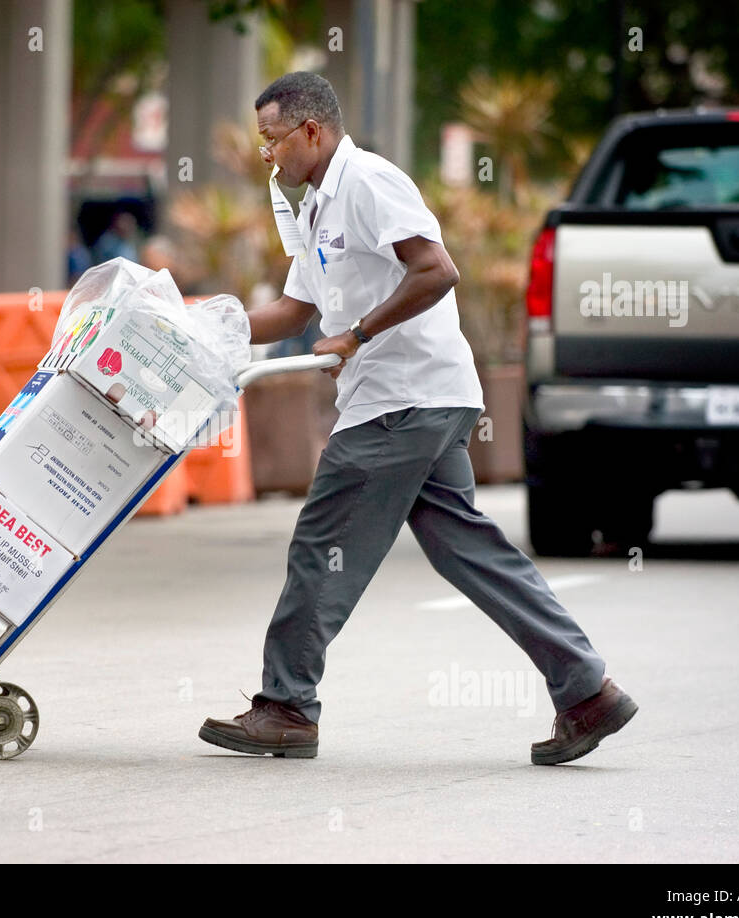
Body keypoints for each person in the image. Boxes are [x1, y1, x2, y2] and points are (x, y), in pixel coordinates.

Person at [198, 72, 637, 764]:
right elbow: (294, 311)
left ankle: (286, 706)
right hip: (412, 399)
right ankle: (587, 693)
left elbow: (436, 270)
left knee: (321, 546)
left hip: (401, 399)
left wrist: (358, 335)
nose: (268, 157)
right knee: (468, 551)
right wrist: (207, 328)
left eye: (273, 141)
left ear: (312, 131)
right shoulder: (316, 207)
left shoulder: (369, 183)